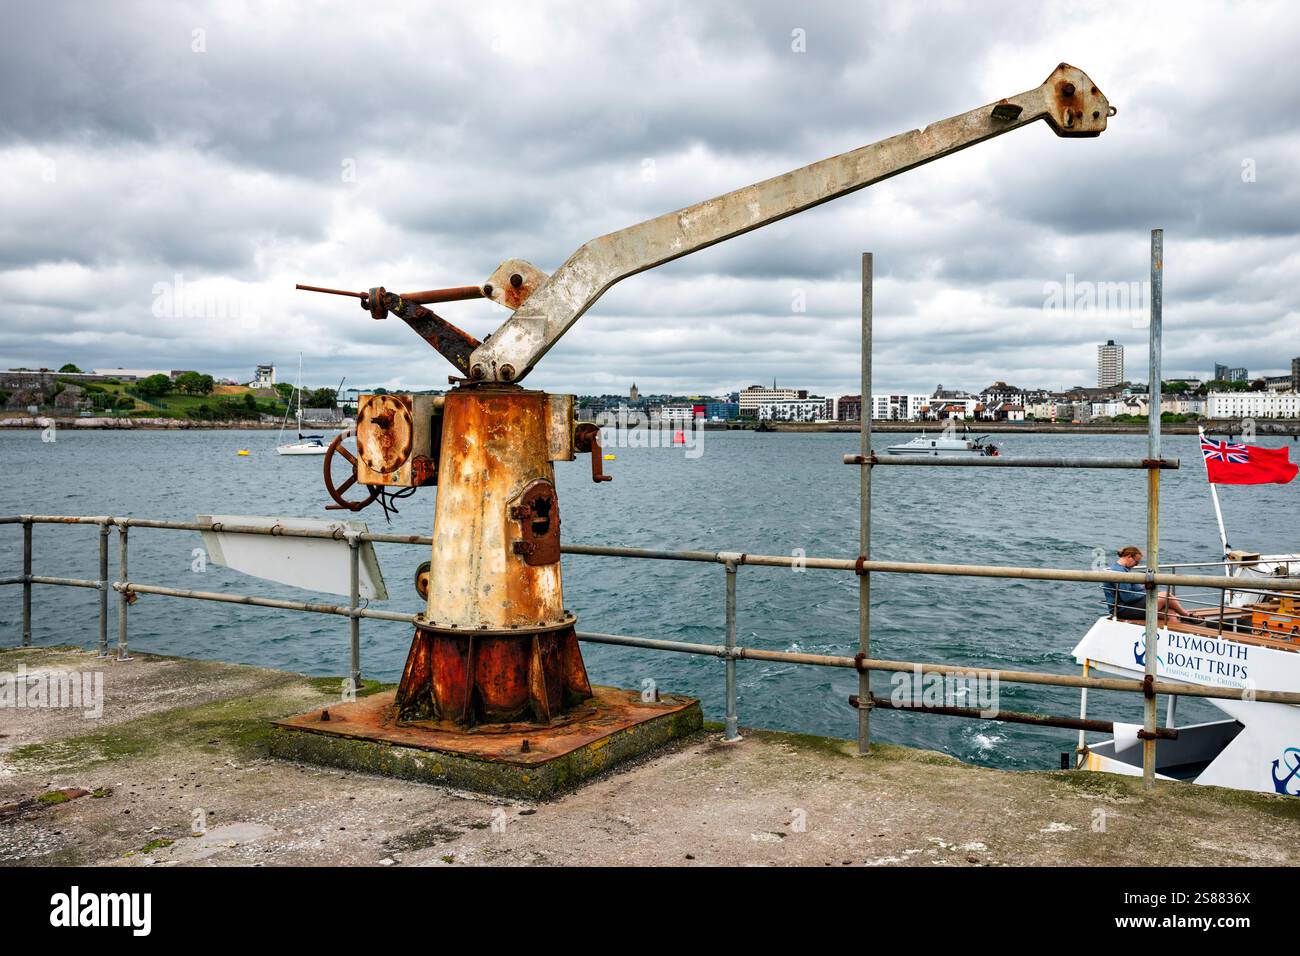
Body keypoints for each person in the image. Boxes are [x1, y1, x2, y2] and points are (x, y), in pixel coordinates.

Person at [1102, 545, 1189, 622]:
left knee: (1170, 613)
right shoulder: (1120, 573)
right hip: (1123, 610)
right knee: (1165, 596)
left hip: (1126, 607)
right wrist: (1146, 591)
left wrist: (1142, 587)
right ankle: (1186, 615)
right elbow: (1127, 598)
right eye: (1136, 562)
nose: (1136, 565)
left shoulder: (1118, 568)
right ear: (1129, 557)